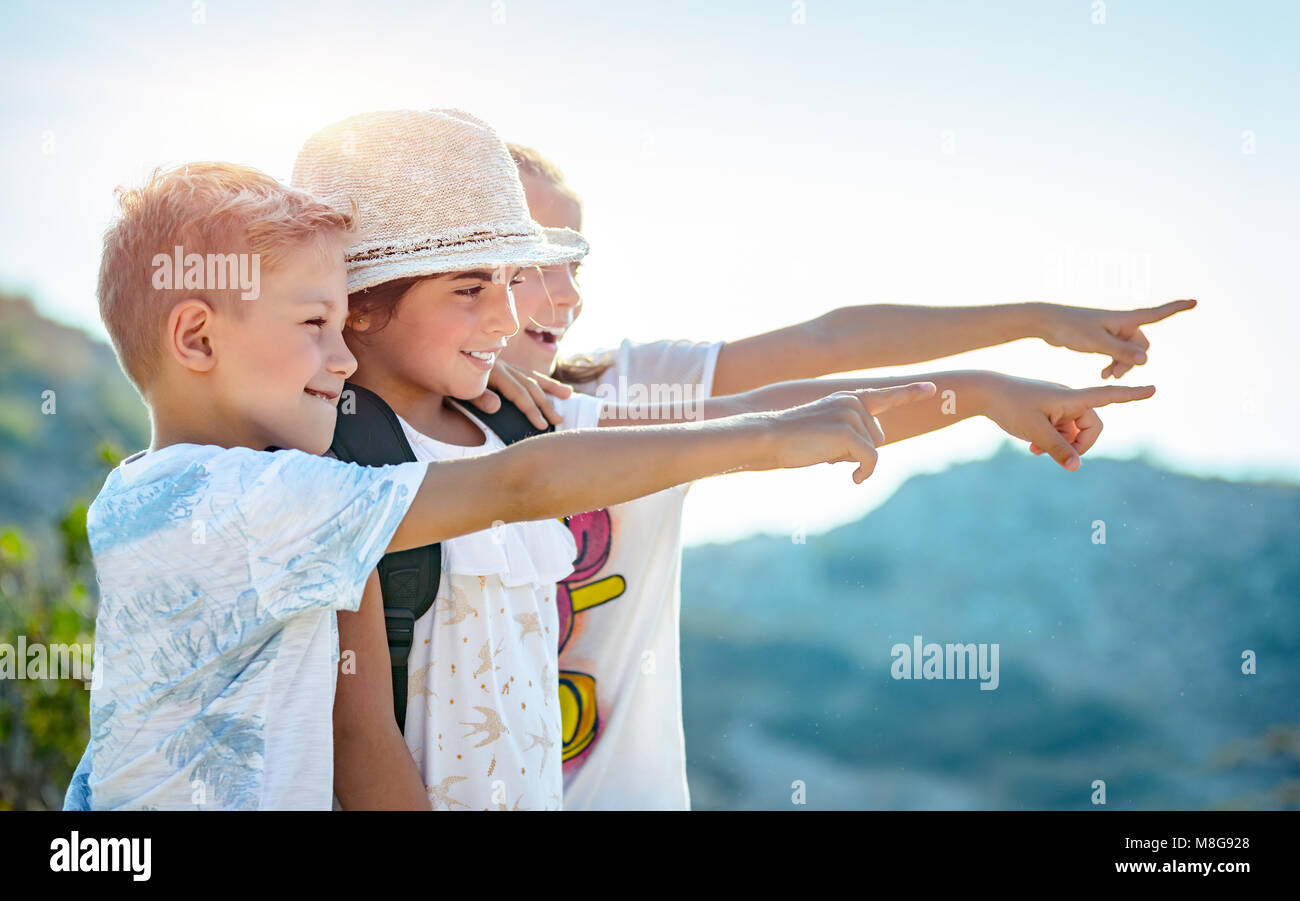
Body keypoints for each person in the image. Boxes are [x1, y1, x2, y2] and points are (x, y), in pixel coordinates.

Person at [61, 156, 938, 810]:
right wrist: (767, 437)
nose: (341, 356)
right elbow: (519, 482)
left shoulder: (246, 491)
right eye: (316, 324)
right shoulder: (237, 504)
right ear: (197, 338)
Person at [498, 142, 1193, 809]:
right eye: (534, 255)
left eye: (576, 261)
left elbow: (824, 349)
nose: (569, 295)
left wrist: (1034, 327)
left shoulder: (631, 387)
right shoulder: (405, 436)